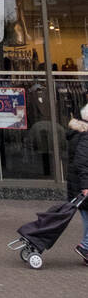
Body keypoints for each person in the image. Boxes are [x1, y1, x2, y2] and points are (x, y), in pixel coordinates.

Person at [66, 100, 88, 265]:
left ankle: (87, 250)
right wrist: (85, 185)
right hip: (82, 185)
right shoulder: (85, 136)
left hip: (78, 184)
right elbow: (82, 162)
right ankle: (85, 247)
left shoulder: (78, 134)